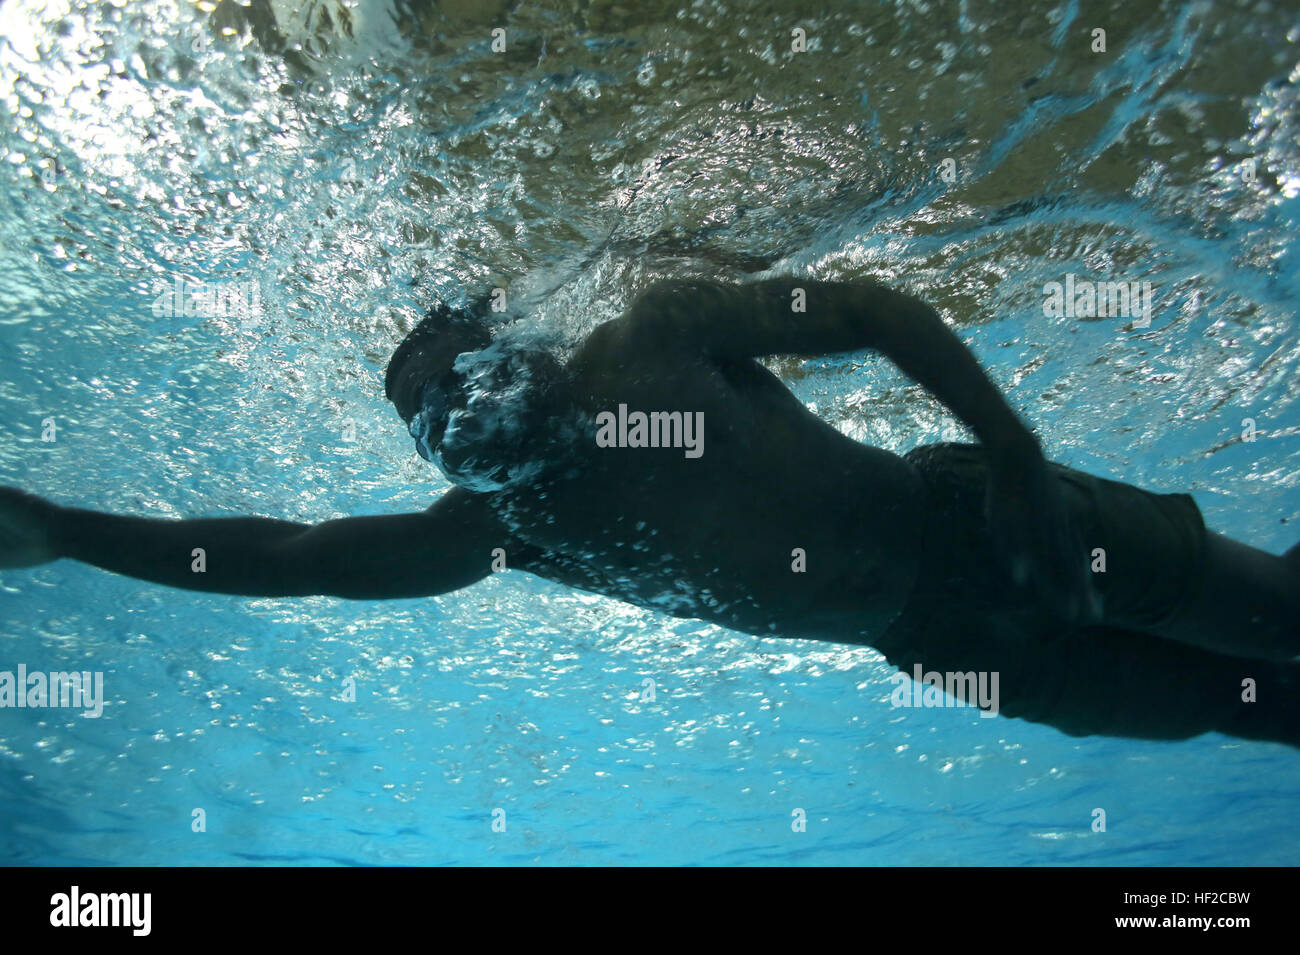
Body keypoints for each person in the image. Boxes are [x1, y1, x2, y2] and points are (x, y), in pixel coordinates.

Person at [2, 278, 1297, 745]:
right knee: (1242, 714)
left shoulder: (660, 336)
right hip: (939, 648)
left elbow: (868, 312)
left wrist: (1013, 454)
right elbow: (288, 560)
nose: (442, 413)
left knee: (1283, 621)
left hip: (983, 523)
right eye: (418, 413)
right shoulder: (503, 529)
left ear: (524, 350)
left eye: (450, 372)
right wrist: (64, 527)